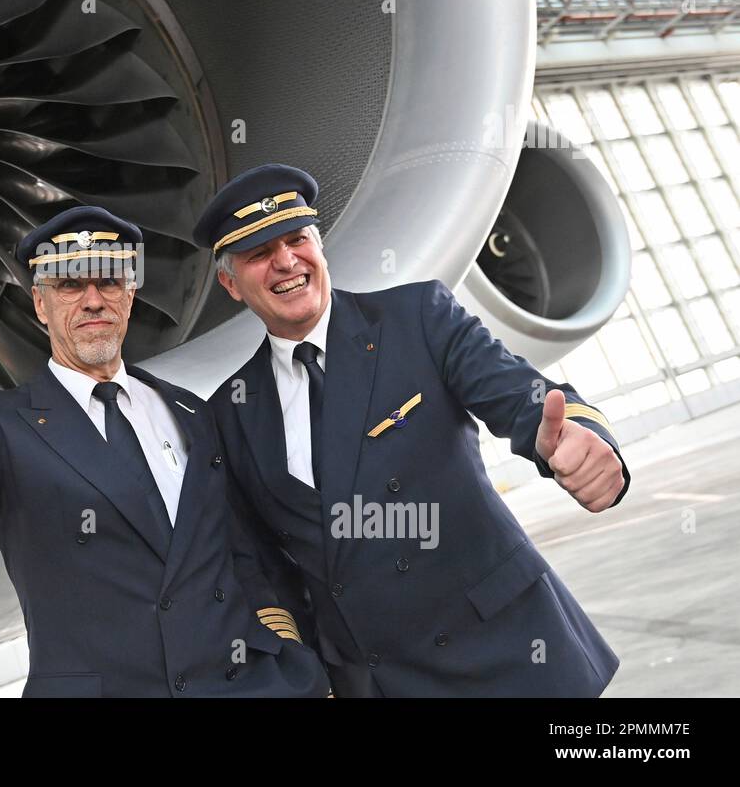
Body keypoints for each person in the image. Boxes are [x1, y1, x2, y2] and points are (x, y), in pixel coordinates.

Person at [193, 164, 630, 697]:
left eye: (296, 238)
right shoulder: (229, 412)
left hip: (503, 654)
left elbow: (521, 394)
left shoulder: (417, 316)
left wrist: (575, 437)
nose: (286, 261)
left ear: (319, 246)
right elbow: (260, 565)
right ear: (230, 283)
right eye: (259, 253)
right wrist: (302, 672)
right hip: (378, 681)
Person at [0, 205, 330, 697]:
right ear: (40, 303)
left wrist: (293, 663)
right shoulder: (0, 424)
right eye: (70, 286)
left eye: (109, 282)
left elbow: (242, 554)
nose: (93, 301)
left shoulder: (192, 413)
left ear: (131, 293)